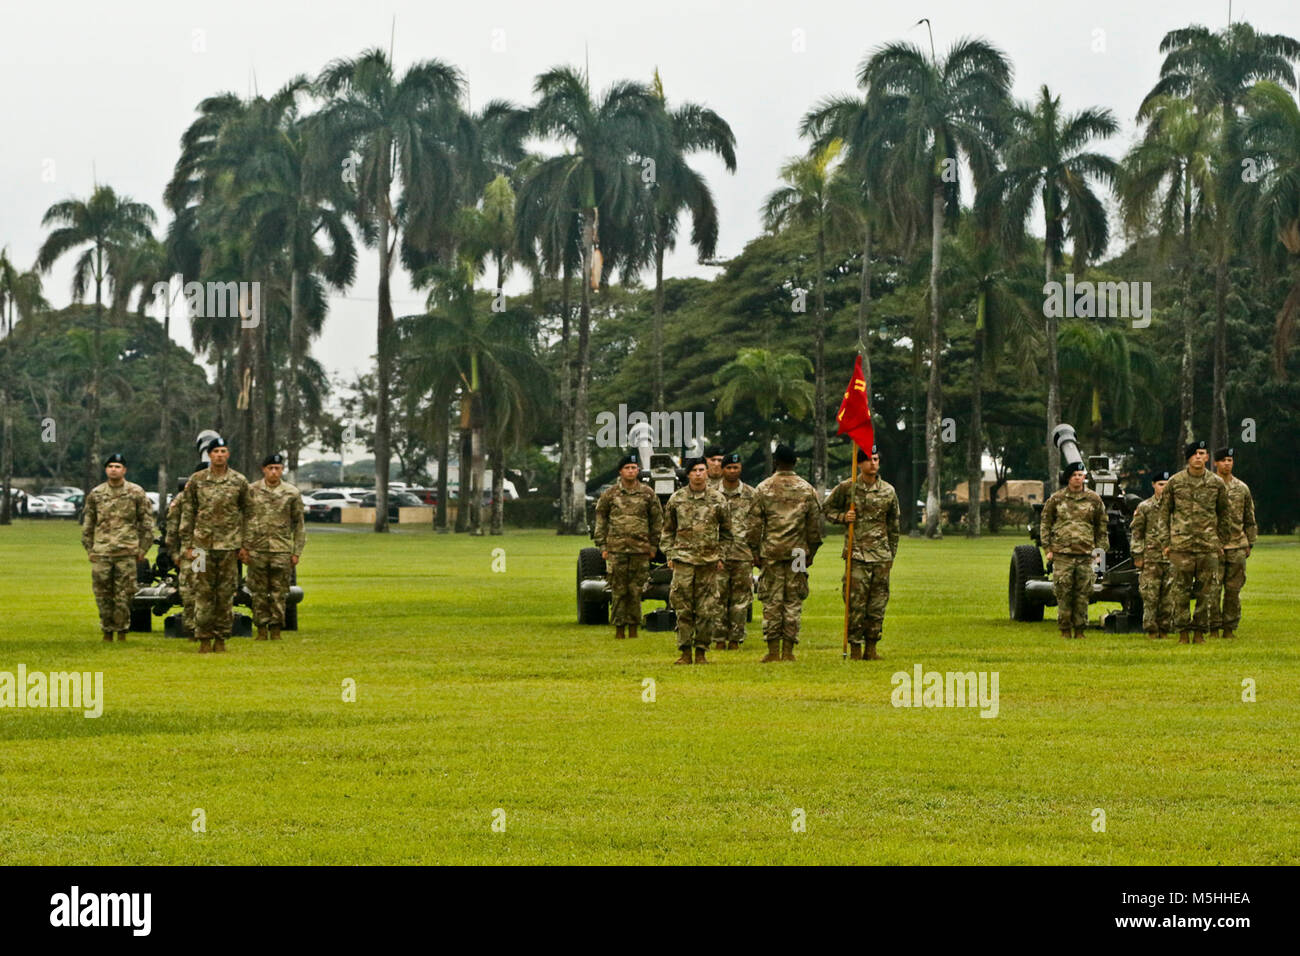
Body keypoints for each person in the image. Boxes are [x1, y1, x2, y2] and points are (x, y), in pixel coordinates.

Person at [824, 445, 900, 660]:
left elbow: (894, 525)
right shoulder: (848, 488)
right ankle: (855, 647)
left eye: (876, 459)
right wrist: (842, 518)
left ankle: (872, 648)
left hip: (881, 556)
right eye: (868, 460)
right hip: (857, 555)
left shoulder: (888, 491)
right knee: (855, 603)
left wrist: (891, 554)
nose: (873, 464)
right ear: (859, 463)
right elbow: (826, 509)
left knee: (877, 603)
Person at [749, 444, 823, 662]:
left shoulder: (763, 488)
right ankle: (789, 651)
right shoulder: (807, 489)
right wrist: (812, 552)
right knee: (793, 601)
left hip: (770, 553)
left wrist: (755, 551)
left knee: (772, 601)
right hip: (798, 553)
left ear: (775, 461)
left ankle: (772, 651)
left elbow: (754, 525)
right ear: (795, 462)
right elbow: (814, 527)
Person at [179, 437, 250, 653]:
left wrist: (245, 545)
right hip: (201, 548)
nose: (219, 454)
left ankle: (221, 638)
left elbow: (248, 514)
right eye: (215, 451)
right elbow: (188, 512)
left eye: (223, 451)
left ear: (228, 454)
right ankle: (203, 638)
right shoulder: (197, 479)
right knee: (201, 592)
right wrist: (187, 545)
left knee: (226, 593)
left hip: (229, 547)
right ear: (209, 455)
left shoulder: (239, 481)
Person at [1156, 440, 1230, 644]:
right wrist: (1166, 543)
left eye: (1202, 453)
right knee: (1180, 592)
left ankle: (1199, 632)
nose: (1199, 457)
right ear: (1188, 457)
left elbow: (1224, 514)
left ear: (1207, 457)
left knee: (1206, 593)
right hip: (1181, 547)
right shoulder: (1175, 482)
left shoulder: (1216, 483)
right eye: (1195, 453)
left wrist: (1221, 541)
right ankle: (1182, 632)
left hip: (1208, 547)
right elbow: (1163, 514)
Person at [661, 458, 732, 664]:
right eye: (695, 470)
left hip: (708, 562)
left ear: (707, 473)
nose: (699, 474)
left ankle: (701, 651)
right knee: (683, 608)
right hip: (683, 561)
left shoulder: (718, 499)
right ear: (688, 474)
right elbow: (667, 530)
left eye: (702, 470)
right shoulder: (677, 499)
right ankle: (685, 652)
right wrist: (670, 554)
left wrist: (722, 556)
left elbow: (727, 532)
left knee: (707, 609)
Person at [81, 453, 153, 642]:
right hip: (102, 552)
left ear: (124, 470)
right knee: (103, 594)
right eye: (111, 466)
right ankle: (107, 630)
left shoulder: (135, 492)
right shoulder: (96, 494)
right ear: (106, 469)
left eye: (118, 466)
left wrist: (143, 549)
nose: (114, 469)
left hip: (126, 551)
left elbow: (146, 522)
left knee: (125, 594)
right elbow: (89, 523)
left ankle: (121, 631)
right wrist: (90, 549)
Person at [593, 453, 663, 639]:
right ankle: (619, 628)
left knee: (635, 591)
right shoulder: (610, 494)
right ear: (621, 471)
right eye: (627, 468)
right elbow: (601, 521)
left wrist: (654, 546)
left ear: (638, 470)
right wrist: (602, 547)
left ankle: (633, 627)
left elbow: (657, 521)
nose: (631, 471)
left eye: (634, 468)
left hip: (640, 550)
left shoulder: (648, 494)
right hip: (616, 550)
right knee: (618, 590)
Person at [1039, 461, 1106, 639]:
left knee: (1083, 593)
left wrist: (1100, 553)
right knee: (1063, 593)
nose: (1078, 478)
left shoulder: (1094, 499)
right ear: (1068, 478)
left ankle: (1080, 629)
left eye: (1081, 475)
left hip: (1086, 554)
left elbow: (1101, 527)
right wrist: (1048, 548)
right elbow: (1045, 523)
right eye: (1075, 475)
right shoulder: (1056, 499)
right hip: (1063, 555)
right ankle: (1065, 629)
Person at [243, 453, 305, 641]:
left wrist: (296, 551)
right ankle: (261, 629)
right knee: (258, 591)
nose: (274, 472)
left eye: (277, 468)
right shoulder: (251, 490)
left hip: (281, 549)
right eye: (270, 468)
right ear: (264, 470)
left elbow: (299, 524)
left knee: (279, 591)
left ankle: (276, 628)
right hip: (257, 548)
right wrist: (243, 547)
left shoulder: (291, 493)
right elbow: (242, 519)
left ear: (282, 470)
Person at [1209, 447, 1256, 639]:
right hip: (1214, 545)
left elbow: (1249, 517)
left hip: (1237, 545)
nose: (1227, 463)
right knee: (1212, 589)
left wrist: (1249, 543)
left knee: (1233, 590)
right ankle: (1212, 627)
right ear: (1216, 463)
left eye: (1230, 460)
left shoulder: (1242, 488)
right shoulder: (1209, 485)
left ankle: (1229, 628)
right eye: (1223, 460)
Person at [713, 452, 757, 651]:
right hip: (717, 555)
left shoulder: (751, 494)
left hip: (743, 553)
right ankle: (719, 638)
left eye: (736, 467)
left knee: (741, 600)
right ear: (722, 470)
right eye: (729, 468)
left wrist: (756, 551)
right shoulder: (711, 493)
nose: (732, 471)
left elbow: (758, 524)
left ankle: (735, 639)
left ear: (740, 469)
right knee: (717, 597)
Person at [1129, 470, 1174, 639]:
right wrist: (1138, 556)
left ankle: (1165, 628)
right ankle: (1151, 629)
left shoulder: (1175, 507)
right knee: (1150, 595)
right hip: (1151, 558)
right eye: (1161, 484)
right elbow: (1137, 532)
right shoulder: (1145, 507)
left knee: (1169, 597)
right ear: (1154, 485)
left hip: (1171, 558)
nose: (1164, 488)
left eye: (1167, 485)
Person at [164, 476, 197, 638]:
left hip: (216, 551)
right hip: (194, 551)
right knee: (191, 588)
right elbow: (172, 528)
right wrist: (174, 553)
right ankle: (192, 627)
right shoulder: (183, 499)